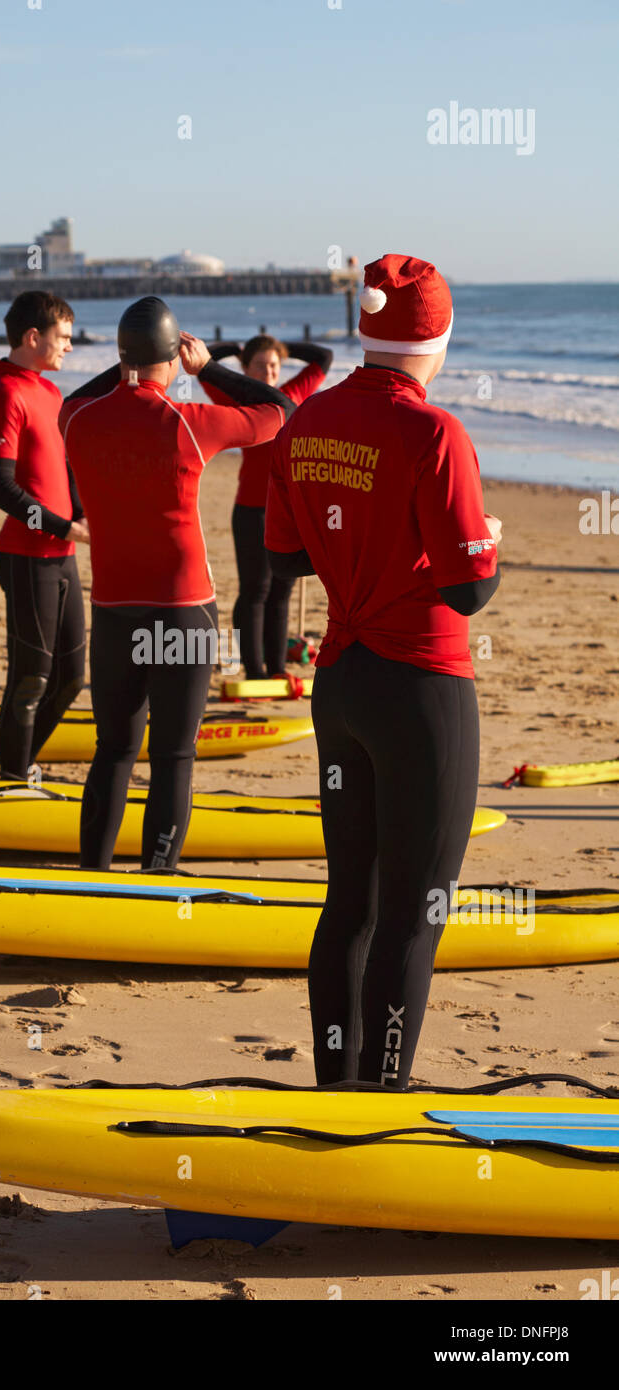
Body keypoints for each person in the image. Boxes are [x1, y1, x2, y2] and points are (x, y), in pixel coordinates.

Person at [265, 254, 502, 1089]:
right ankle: (385, 1091)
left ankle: (338, 1086)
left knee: (350, 906)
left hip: (344, 682)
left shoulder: (305, 422)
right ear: (436, 338)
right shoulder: (433, 431)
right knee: (415, 915)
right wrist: (489, 539)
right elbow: (471, 588)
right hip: (423, 686)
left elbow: (284, 553)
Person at [59, 296, 295, 870]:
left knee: (113, 749)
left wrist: (130, 364)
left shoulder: (76, 421)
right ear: (174, 357)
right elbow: (280, 409)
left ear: (122, 357)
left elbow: (76, 396)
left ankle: (92, 871)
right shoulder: (190, 424)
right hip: (183, 609)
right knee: (173, 753)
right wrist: (209, 368)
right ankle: (157, 872)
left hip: (114, 609)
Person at [0, 290, 89, 780]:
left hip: (61, 555)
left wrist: (85, 517)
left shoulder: (48, 391)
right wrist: (64, 526)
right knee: (30, 679)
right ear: (33, 336)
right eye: (63, 337)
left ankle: (20, 765)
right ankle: (14, 776)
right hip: (25, 556)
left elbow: (64, 468)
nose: (69, 346)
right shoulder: (4, 393)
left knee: (69, 679)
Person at [202, 334, 333, 678]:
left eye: (275, 364)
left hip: (291, 511)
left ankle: (275, 668)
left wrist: (282, 346)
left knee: (282, 588)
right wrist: (234, 348)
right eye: (260, 365)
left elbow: (323, 356)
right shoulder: (237, 398)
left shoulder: (291, 394)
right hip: (252, 509)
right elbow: (203, 366)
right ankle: (254, 670)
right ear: (245, 368)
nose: (269, 370)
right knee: (256, 589)